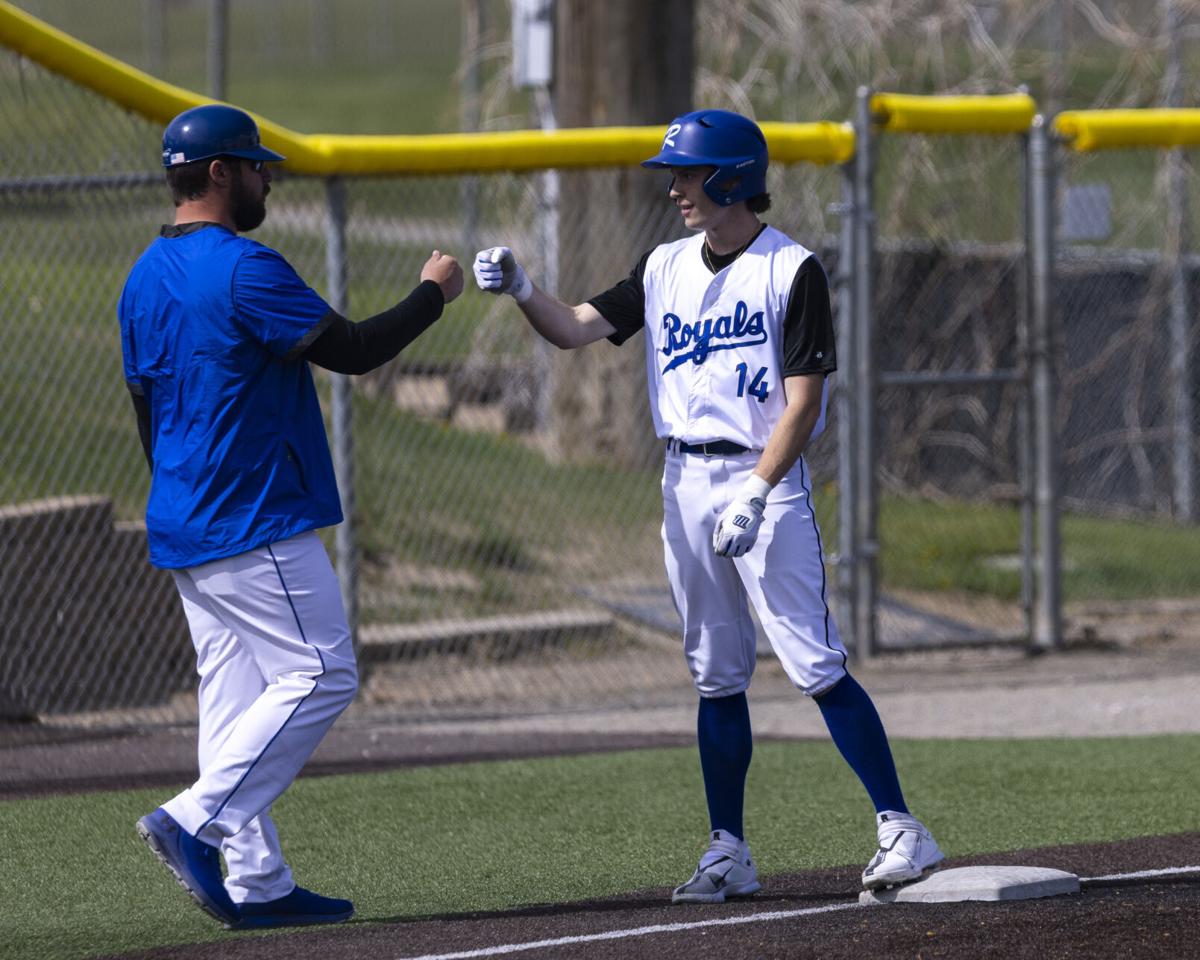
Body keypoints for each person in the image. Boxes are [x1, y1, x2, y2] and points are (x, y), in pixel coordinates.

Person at [473, 108, 943, 903]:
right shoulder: (664, 267)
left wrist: (758, 492)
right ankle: (729, 848)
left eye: (686, 176)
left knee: (813, 662)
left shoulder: (791, 270)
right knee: (716, 676)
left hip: (764, 483)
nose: (675, 191)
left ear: (729, 179)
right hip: (684, 482)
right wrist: (523, 287)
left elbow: (802, 404)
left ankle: (903, 827)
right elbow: (574, 328)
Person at [119, 104, 463, 929]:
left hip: (186, 517)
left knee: (234, 701)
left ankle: (259, 882)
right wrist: (432, 293)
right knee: (324, 670)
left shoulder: (140, 276)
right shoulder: (241, 266)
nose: (266, 176)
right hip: (253, 516)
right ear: (218, 175)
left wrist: (181, 492)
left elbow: (142, 406)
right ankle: (192, 821)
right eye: (255, 165)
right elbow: (350, 349)